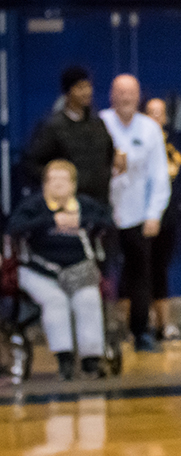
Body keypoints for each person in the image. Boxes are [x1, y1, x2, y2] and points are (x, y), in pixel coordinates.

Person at [9, 159, 114, 380]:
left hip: (79, 269)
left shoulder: (85, 205)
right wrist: (50, 220)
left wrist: (81, 221)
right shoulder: (34, 206)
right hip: (40, 271)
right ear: (45, 183)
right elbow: (14, 227)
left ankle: (91, 360)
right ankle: (64, 359)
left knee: (88, 300)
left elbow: (109, 221)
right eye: (52, 179)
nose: (58, 184)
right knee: (56, 301)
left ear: (73, 184)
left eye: (63, 179)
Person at [100, 74, 171, 352]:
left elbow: (159, 175)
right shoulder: (101, 123)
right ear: (111, 95)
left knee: (141, 276)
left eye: (131, 92)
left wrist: (155, 213)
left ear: (138, 95)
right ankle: (105, 333)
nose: (126, 97)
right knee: (103, 276)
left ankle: (141, 332)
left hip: (139, 216)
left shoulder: (149, 129)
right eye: (120, 92)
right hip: (105, 215)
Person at [25, 66, 119, 205]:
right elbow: (32, 164)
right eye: (80, 87)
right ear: (68, 92)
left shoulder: (97, 123)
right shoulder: (52, 126)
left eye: (88, 86)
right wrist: (58, 181)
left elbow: (109, 155)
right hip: (68, 205)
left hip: (99, 203)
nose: (86, 92)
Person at [145, 98, 181, 340]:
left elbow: (178, 174)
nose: (156, 118)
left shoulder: (173, 145)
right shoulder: (135, 143)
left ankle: (163, 323)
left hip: (166, 215)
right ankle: (136, 324)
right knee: (136, 271)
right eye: (151, 113)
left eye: (160, 113)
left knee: (160, 269)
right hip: (138, 214)